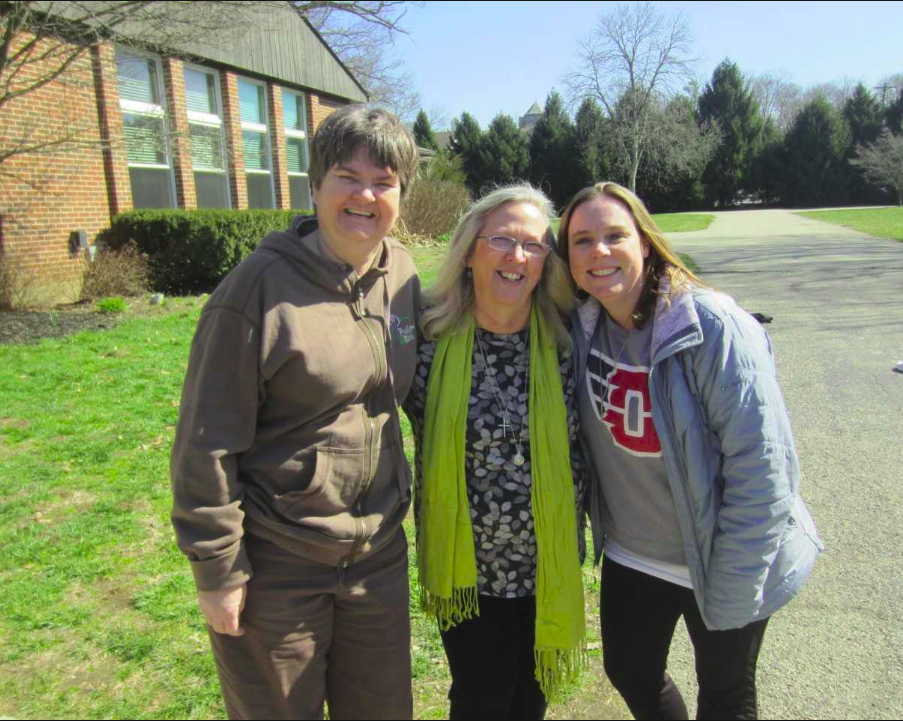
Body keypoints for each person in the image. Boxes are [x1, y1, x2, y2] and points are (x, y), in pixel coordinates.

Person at [170, 105, 420, 720]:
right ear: (314, 186)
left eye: (384, 181)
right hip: (280, 566)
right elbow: (205, 442)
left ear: (401, 195)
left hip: (377, 557)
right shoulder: (255, 292)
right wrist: (218, 569)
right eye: (347, 176)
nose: (366, 195)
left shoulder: (404, 276)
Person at [559, 181, 824, 721]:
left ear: (646, 242)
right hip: (634, 553)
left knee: (724, 696)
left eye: (615, 235)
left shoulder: (711, 326)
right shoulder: (584, 327)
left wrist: (733, 588)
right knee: (631, 672)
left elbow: (764, 470)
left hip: (721, 552)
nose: (598, 252)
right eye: (581, 241)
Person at [403, 184, 588, 720]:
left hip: (547, 562)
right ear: (470, 250)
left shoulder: (568, 337)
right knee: (482, 698)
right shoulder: (428, 340)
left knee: (529, 702)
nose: (518, 257)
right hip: (470, 569)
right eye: (503, 240)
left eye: (533, 245)